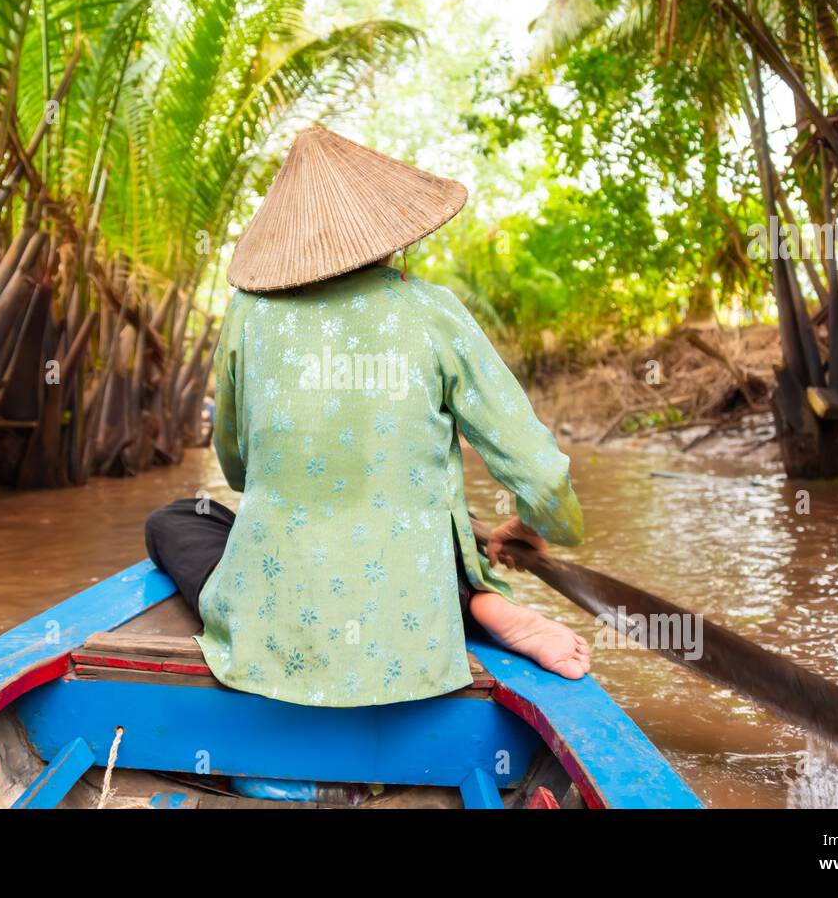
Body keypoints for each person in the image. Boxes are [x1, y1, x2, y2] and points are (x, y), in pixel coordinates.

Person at [145, 125, 589, 707]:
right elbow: (540, 472)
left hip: (277, 606)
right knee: (419, 517)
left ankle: (450, 595)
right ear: (389, 236)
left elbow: (238, 468)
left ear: (289, 241)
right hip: (406, 606)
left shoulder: (248, 315)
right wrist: (536, 528)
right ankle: (474, 601)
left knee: (173, 520)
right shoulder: (432, 310)